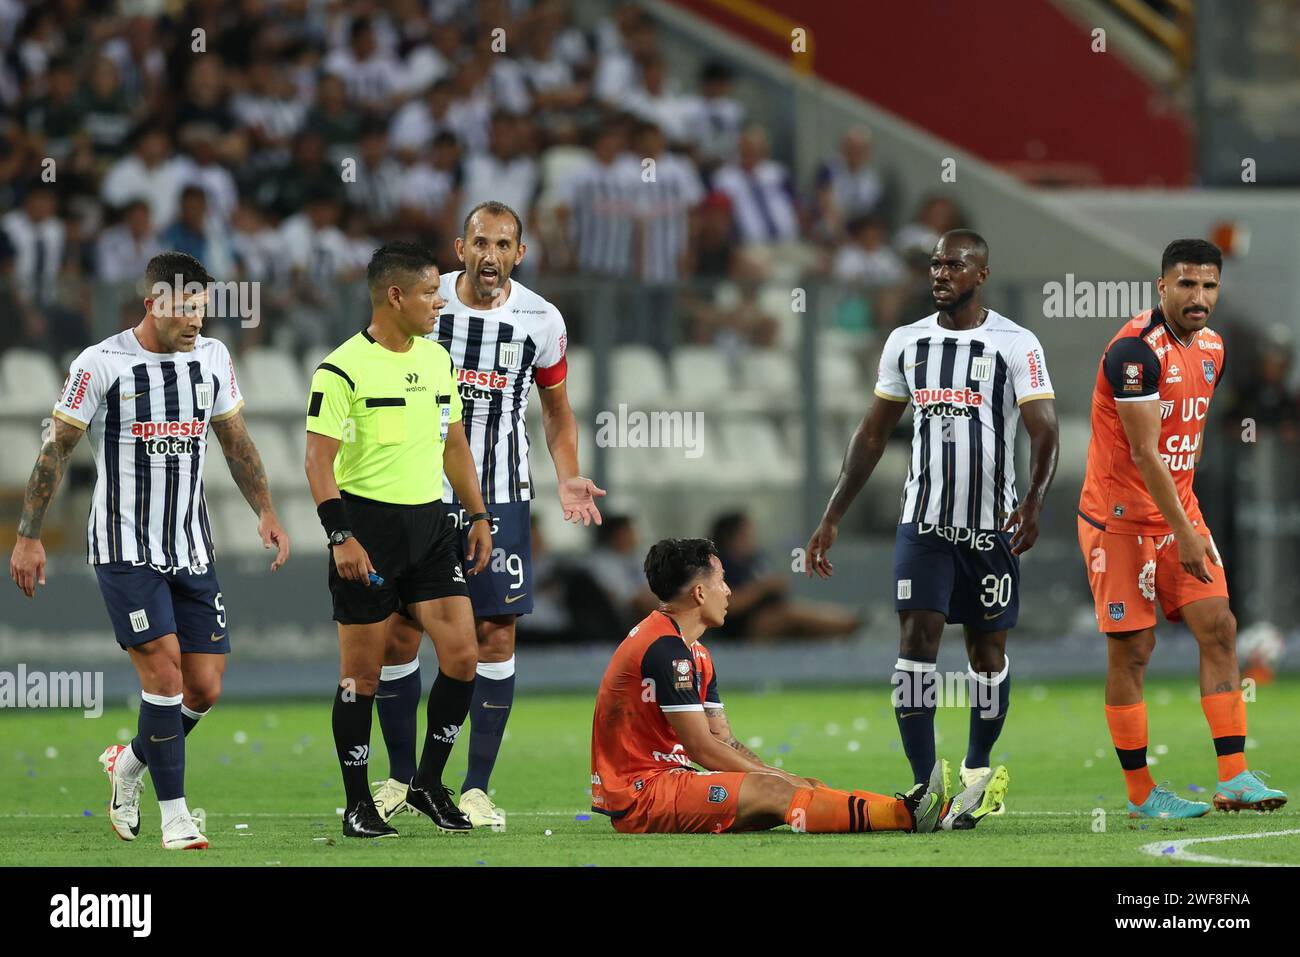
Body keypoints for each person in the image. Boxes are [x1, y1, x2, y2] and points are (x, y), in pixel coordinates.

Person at [8, 251, 291, 850]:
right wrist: (29, 535)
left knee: (204, 687)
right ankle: (177, 816)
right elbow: (56, 449)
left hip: (191, 545)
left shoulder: (212, 358)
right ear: (152, 304)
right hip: (123, 546)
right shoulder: (101, 363)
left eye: (202, 309)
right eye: (185, 308)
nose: (195, 320)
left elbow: (236, 442)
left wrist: (265, 509)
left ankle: (129, 763)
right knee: (163, 673)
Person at [805, 230, 1059, 809]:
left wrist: (1035, 501)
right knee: (915, 641)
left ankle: (975, 768)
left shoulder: (1016, 345)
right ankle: (924, 782)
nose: (941, 273)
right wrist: (832, 514)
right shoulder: (905, 342)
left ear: (982, 274)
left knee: (985, 655)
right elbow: (873, 434)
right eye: (935, 264)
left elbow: (1045, 430)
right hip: (923, 523)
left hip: (991, 528)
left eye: (955, 264)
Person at [373, 201, 605, 829]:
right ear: (460, 248)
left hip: (500, 496)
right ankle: (400, 778)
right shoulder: (426, 303)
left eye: (504, 245)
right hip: (417, 492)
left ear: (519, 254)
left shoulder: (542, 320)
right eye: (481, 242)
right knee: (401, 631)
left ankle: (473, 787)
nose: (492, 256)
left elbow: (557, 412)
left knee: (494, 632)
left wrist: (567, 478)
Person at [590, 537, 1008, 834]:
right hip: (643, 794)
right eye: (721, 581)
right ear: (699, 592)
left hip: (668, 782)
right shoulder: (667, 650)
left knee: (799, 786)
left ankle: (916, 810)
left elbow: (724, 742)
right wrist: (772, 778)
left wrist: (780, 773)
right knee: (777, 789)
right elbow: (703, 750)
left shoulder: (694, 652)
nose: (729, 590)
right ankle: (907, 816)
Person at [1077, 238, 1287, 818]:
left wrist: (1186, 525)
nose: (1199, 297)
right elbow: (1146, 453)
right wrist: (1187, 532)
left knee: (1219, 626)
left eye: (1209, 286)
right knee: (1133, 650)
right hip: (1119, 520)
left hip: (1177, 513)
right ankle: (1143, 795)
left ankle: (1235, 778)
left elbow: (1182, 443)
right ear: (1161, 286)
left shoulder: (1214, 348)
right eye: (1187, 284)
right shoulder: (1133, 352)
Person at [304, 240, 493, 839]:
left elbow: (454, 445)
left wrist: (479, 515)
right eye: (429, 292)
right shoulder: (340, 370)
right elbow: (317, 463)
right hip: (368, 532)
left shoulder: (438, 361)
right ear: (394, 296)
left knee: (463, 657)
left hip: (432, 529)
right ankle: (359, 802)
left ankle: (428, 785)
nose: (439, 302)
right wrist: (341, 538)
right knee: (360, 675)